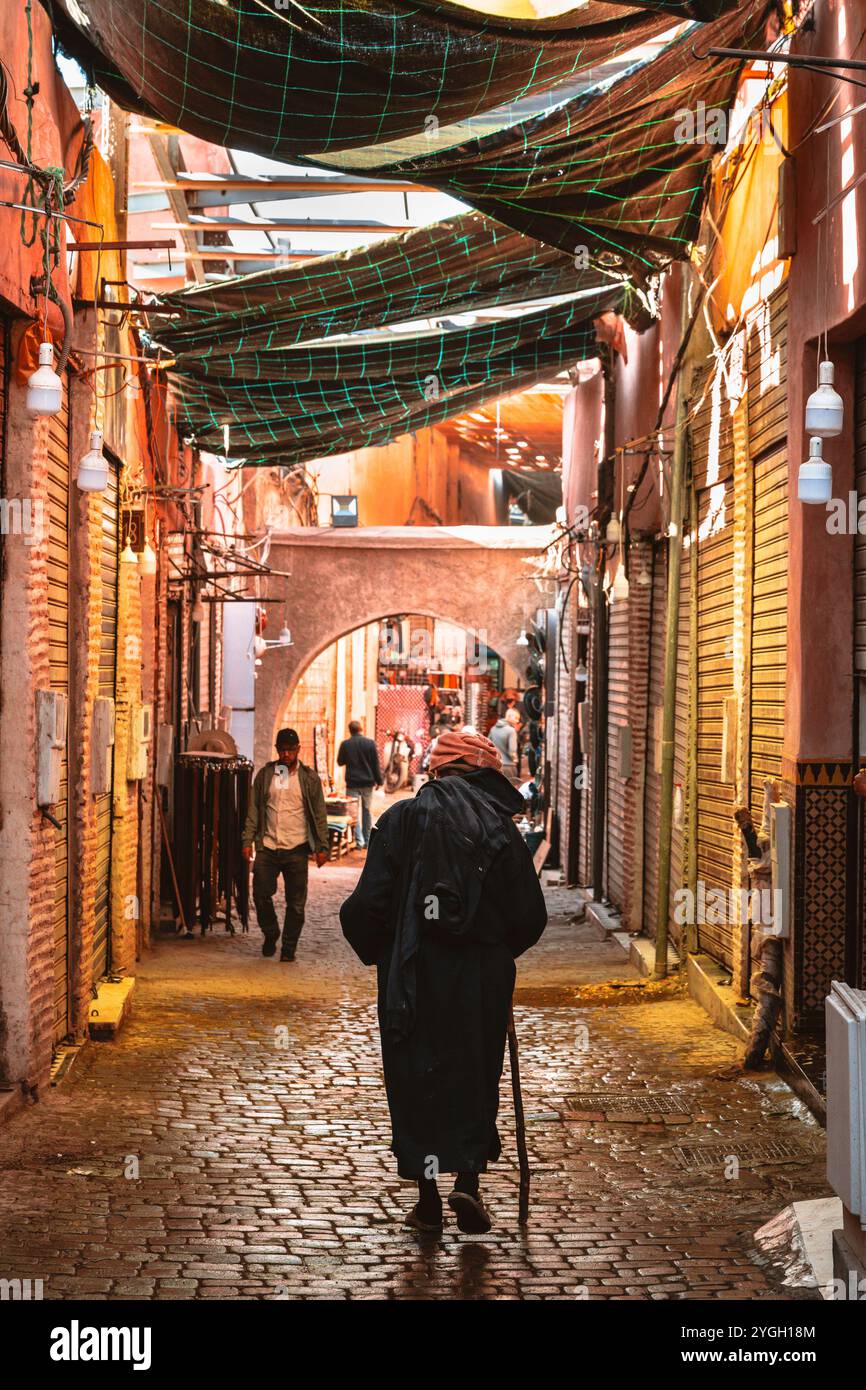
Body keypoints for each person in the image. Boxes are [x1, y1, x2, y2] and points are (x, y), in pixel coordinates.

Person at [339, 728, 547, 1235]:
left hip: (411, 978)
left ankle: (428, 1199)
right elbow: (530, 916)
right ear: (482, 775)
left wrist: (386, 952)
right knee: (474, 1074)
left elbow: (367, 908)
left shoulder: (399, 821)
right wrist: (495, 955)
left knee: (417, 1080)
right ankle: (468, 1184)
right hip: (478, 981)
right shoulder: (500, 828)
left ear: (436, 770)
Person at [242, 728, 329, 961]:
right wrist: (247, 839)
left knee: (296, 904)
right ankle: (271, 933)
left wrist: (322, 846)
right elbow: (255, 809)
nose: (286, 755)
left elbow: (319, 814)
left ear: (298, 750)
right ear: (277, 750)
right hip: (268, 846)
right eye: (282, 750)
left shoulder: (309, 779)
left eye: (291, 750)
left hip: (297, 847)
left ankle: (288, 948)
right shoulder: (267, 775)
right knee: (260, 893)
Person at [336, 719, 383, 850]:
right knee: (367, 811)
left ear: (350, 730)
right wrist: (379, 781)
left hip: (352, 783)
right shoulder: (370, 744)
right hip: (368, 783)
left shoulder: (345, 744)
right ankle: (368, 841)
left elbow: (340, 762)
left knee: (353, 813)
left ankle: (359, 841)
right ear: (361, 729)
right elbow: (375, 764)